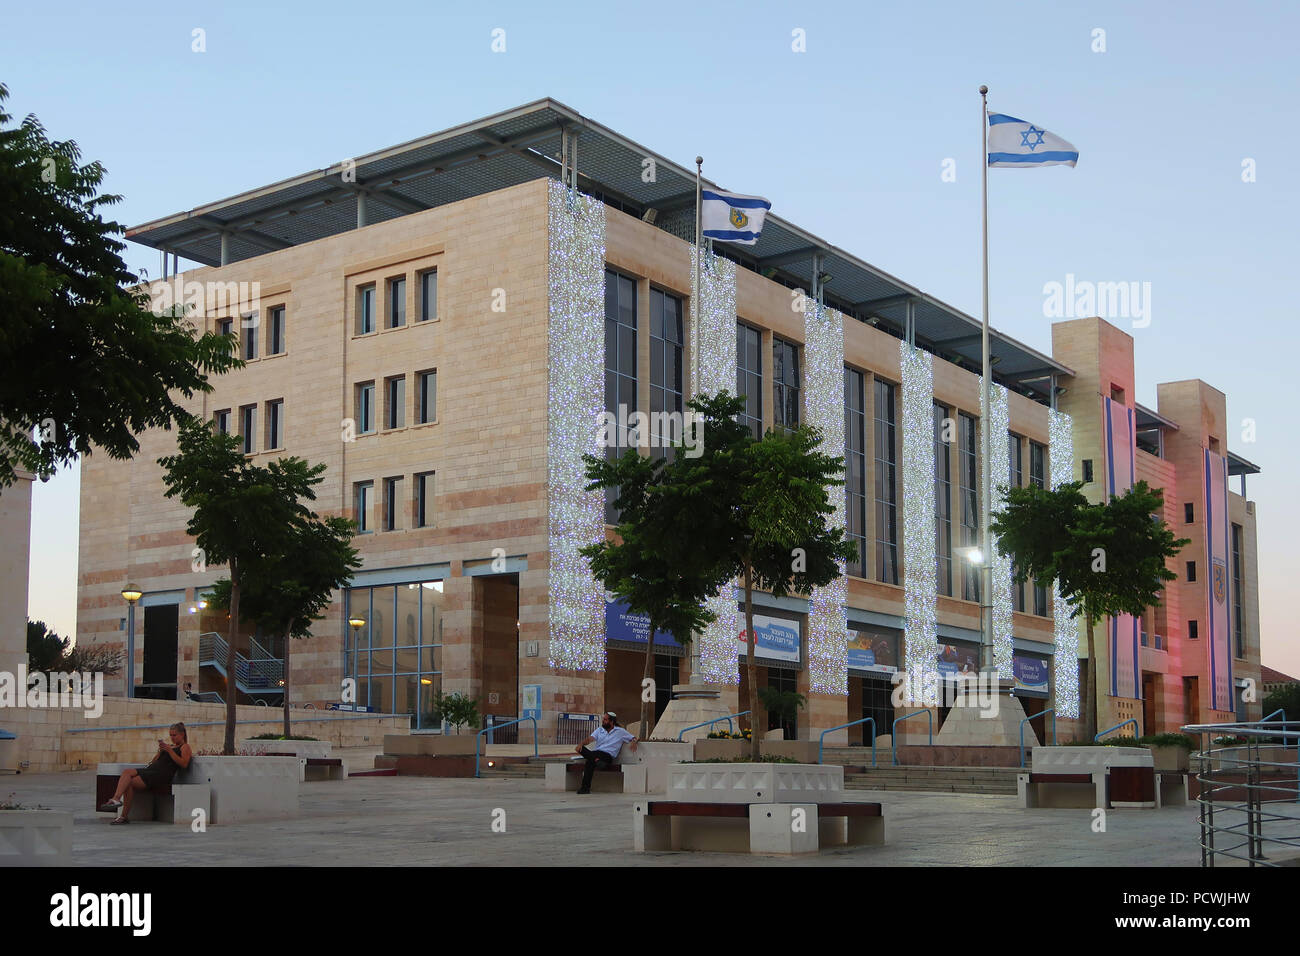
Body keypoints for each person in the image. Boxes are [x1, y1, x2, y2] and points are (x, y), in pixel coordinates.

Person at [98, 722, 192, 824]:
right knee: (126, 773)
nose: (172, 737)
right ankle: (116, 800)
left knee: (129, 783)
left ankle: (123, 815)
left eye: (174, 735)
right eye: (170, 735)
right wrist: (161, 751)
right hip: (151, 771)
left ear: (182, 734)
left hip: (161, 776)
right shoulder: (170, 747)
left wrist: (170, 751)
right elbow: (154, 761)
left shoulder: (185, 747)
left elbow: (184, 764)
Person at [573, 711, 637, 794]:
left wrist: (634, 742)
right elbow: (590, 739)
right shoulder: (599, 730)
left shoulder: (620, 731)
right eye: (603, 719)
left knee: (589, 760)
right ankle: (596, 762)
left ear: (611, 722)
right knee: (583, 751)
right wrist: (581, 744)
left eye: (605, 720)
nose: (603, 721)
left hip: (607, 756)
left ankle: (585, 788)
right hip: (596, 754)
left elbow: (633, 737)